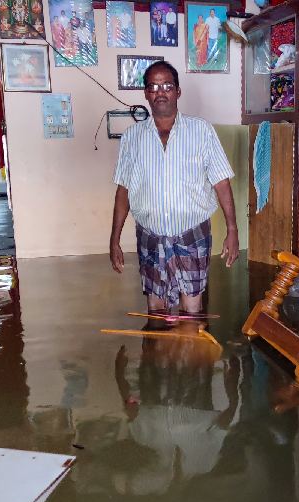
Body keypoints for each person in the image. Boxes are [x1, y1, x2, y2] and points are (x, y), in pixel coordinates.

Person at [110, 61, 238, 314]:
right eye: (154, 86)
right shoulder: (132, 138)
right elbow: (123, 191)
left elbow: (222, 183)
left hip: (193, 234)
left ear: (178, 91)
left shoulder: (202, 131)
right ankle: (161, 341)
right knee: (156, 306)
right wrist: (114, 239)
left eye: (167, 86)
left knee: (192, 306)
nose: (161, 92)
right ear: (146, 93)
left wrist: (232, 230)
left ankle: (189, 340)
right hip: (150, 236)